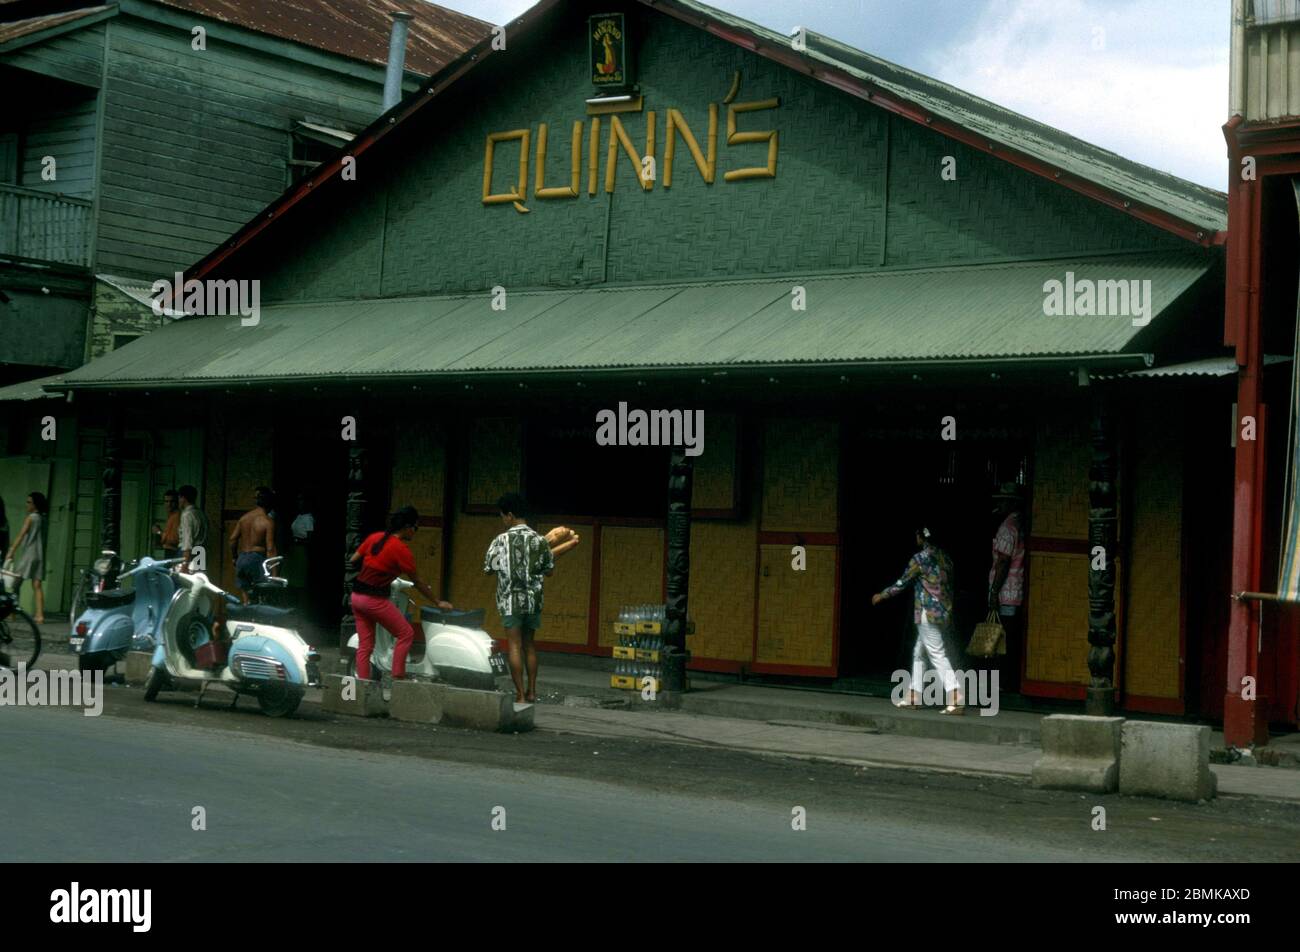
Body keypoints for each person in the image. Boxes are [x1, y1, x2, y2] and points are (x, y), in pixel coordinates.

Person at [349, 505, 452, 686]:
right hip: (375, 600)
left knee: (365, 646)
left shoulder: (375, 537)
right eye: (416, 528)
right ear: (407, 528)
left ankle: (362, 687)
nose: (415, 532)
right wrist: (438, 601)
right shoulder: (401, 550)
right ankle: (398, 679)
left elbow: (353, 559)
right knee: (405, 633)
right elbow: (418, 582)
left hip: (357, 597)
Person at [872, 526, 964, 714]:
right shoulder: (946, 558)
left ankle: (955, 694)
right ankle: (913, 695)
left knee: (937, 653)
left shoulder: (920, 559)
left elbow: (903, 581)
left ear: (921, 538)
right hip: (942, 612)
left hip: (926, 612)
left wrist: (882, 595)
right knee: (918, 652)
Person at [483, 492, 554, 705]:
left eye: (503, 516)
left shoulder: (500, 541)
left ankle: (520, 695)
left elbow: (489, 569)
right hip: (533, 601)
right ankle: (533, 692)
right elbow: (549, 571)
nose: (503, 520)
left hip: (510, 601)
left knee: (514, 646)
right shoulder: (540, 540)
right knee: (529, 645)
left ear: (510, 515)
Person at [988, 482, 1027, 693]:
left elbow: (1003, 561)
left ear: (1011, 503)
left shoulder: (1007, 528)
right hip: (1017, 590)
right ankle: (1008, 681)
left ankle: (1002, 683)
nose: (999, 504)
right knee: (1010, 637)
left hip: (1006, 592)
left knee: (1003, 638)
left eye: (1003, 501)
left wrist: (994, 592)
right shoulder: (1020, 524)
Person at [230, 486, 277, 604]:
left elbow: (232, 539)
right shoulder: (267, 521)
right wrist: (274, 574)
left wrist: (234, 557)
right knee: (263, 597)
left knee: (246, 599)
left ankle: (246, 616)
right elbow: (270, 548)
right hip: (256, 559)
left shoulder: (244, 518)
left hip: (242, 558)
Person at [6, 492, 48, 623]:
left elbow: (21, 535)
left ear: (35, 505)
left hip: (29, 554)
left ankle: (11, 614)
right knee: (37, 585)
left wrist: (11, 551)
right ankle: (40, 615)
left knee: (15, 584)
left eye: (29, 502)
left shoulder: (30, 518)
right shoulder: (43, 518)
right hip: (39, 555)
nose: (27, 504)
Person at [177, 485, 208, 574]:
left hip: (190, 554)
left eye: (179, 498)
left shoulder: (187, 515)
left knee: (185, 583)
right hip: (201, 552)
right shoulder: (201, 514)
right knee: (198, 581)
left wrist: (185, 563)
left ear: (183, 498)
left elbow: (187, 540)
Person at [152, 488, 181, 558]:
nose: (169, 504)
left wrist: (159, 532)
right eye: (166, 501)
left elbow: (174, 540)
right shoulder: (171, 516)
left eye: (172, 501)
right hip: (169, 551)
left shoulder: (177, 517)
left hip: (173, 552)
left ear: (177, 502)